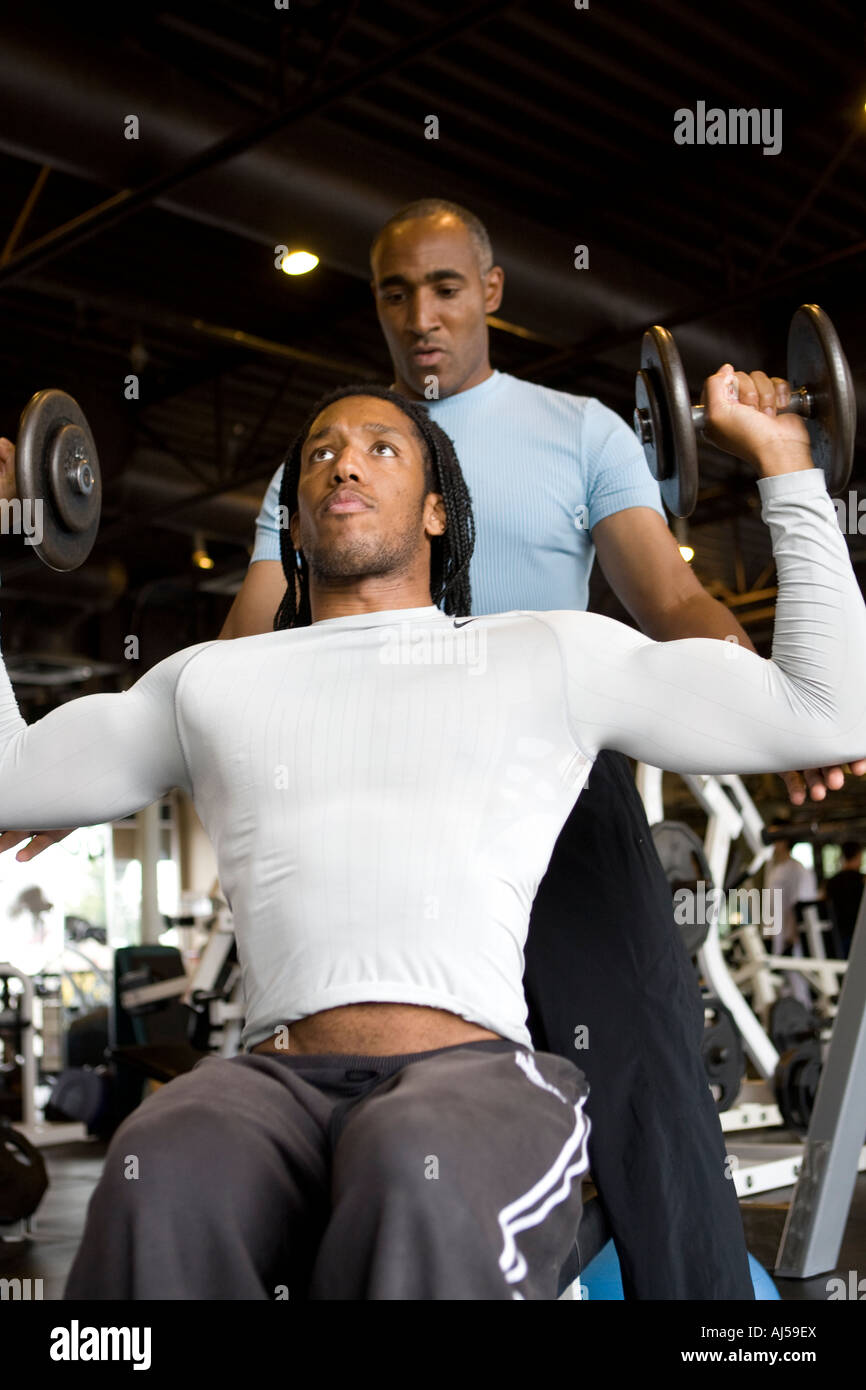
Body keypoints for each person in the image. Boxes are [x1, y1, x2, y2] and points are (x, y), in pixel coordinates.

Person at [2, 201, 863, 1299]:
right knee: (163, 1167)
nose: (343, 464)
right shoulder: (240, 638)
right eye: (321, 454)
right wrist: (133, 760)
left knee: (608, 1099)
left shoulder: (560, 554)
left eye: (444, 288)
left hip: (537, 782)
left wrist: (779, 508)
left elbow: (717, 630)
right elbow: (143, 710)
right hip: (309, 924)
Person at [765, 838, 819, 1008]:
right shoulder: (775, 869)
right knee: (783, 981)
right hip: (777, 934)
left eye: (776, 840)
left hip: (792, 936)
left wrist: (793, 935)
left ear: (784, 842)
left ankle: (805, 1014)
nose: (772, 845)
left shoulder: (797, 869)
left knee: (798, 980)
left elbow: (800, 904)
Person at [825, 841, 865, 958]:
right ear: (858, 856)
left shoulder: (831, 882)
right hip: (859, 935)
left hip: (838, 935)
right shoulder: (862, 880)